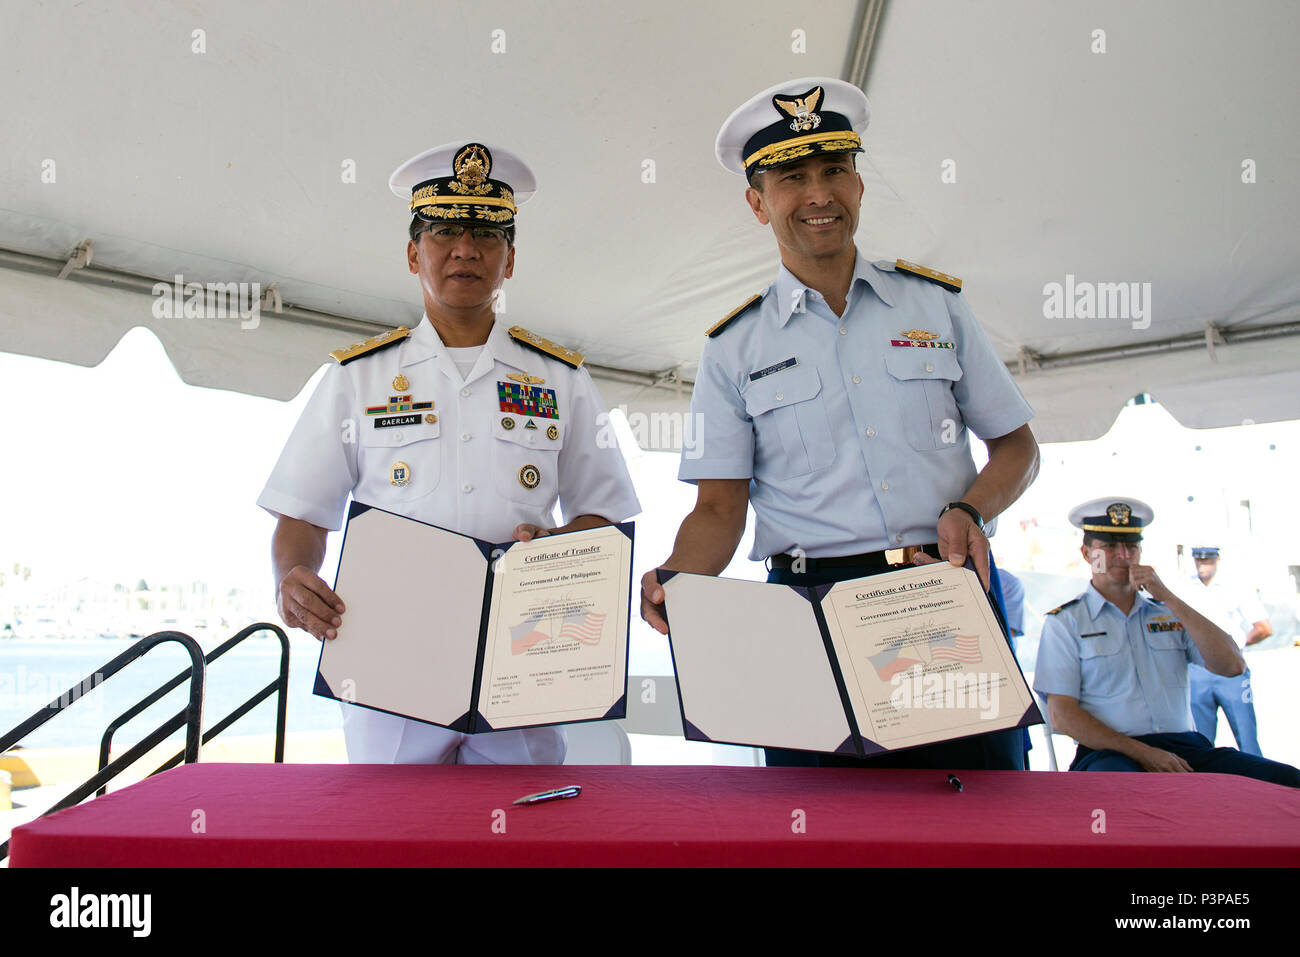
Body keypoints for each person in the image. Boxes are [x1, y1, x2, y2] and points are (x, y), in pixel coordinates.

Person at [639, 77, 1041, 770]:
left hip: (940, 586)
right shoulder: (733, 346)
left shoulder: (935, 306)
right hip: (807, 614)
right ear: (757, 203)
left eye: (835, 170)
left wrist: (972, 508)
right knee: (821, 829)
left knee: (985, 821)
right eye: (792, 177)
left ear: (858, 184)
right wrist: (677, 575)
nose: (819, 194)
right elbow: (717, 507)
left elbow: (1016, 447)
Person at [258, 141, 641, 765]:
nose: (466, 249)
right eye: (444, 231)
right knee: (395, 842)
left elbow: (607, 515)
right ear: (414, 253)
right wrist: (290, 579)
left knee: (522, 836)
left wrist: (566, 546)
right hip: (391, 654)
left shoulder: (561, 379)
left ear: (510, 258)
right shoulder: (358, 378)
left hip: (526, 653)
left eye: (487, 234)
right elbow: (300, 516)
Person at [1032, 499, 1299, 786]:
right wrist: (1145, 754)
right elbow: (1063, 716)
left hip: (1184, 748)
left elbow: (1232, 665)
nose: (1123, 555)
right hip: (1108, 753)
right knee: (1123, 789)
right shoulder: (1067, 622)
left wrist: (1168, 597)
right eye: (1109, 546)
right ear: (1087, 553)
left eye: (1132, 546)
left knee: (1284, 781)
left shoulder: (1169, 612)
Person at [1186, 546, 1272, 756]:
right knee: (1200, 743)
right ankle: (1205, 787)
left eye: (1207, 561)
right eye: (1199, 560)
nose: (1202, 565)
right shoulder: (1185, 586)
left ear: (1217, 560)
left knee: (1247, 739)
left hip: (1230, 673)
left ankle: (1256, 784)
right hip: (1198, 669)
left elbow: (1264, 627)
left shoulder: (1234, 587)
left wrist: (1237, 645)